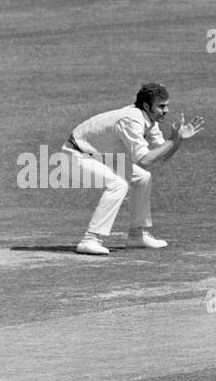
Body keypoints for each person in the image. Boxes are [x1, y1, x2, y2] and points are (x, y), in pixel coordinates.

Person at [64, 82, 204, 255]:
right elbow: (145, 159)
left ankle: (136, 235)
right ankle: (90, 240)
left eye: (166, 105)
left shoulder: (150, 121)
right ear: (147, 106)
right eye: (161, 106)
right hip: (75, 156)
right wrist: (172, 141)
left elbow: (161, 156)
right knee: (118, 184)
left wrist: (178, 140)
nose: (166, 110)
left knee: (143, 178)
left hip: (101, 156)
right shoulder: (131, 120)